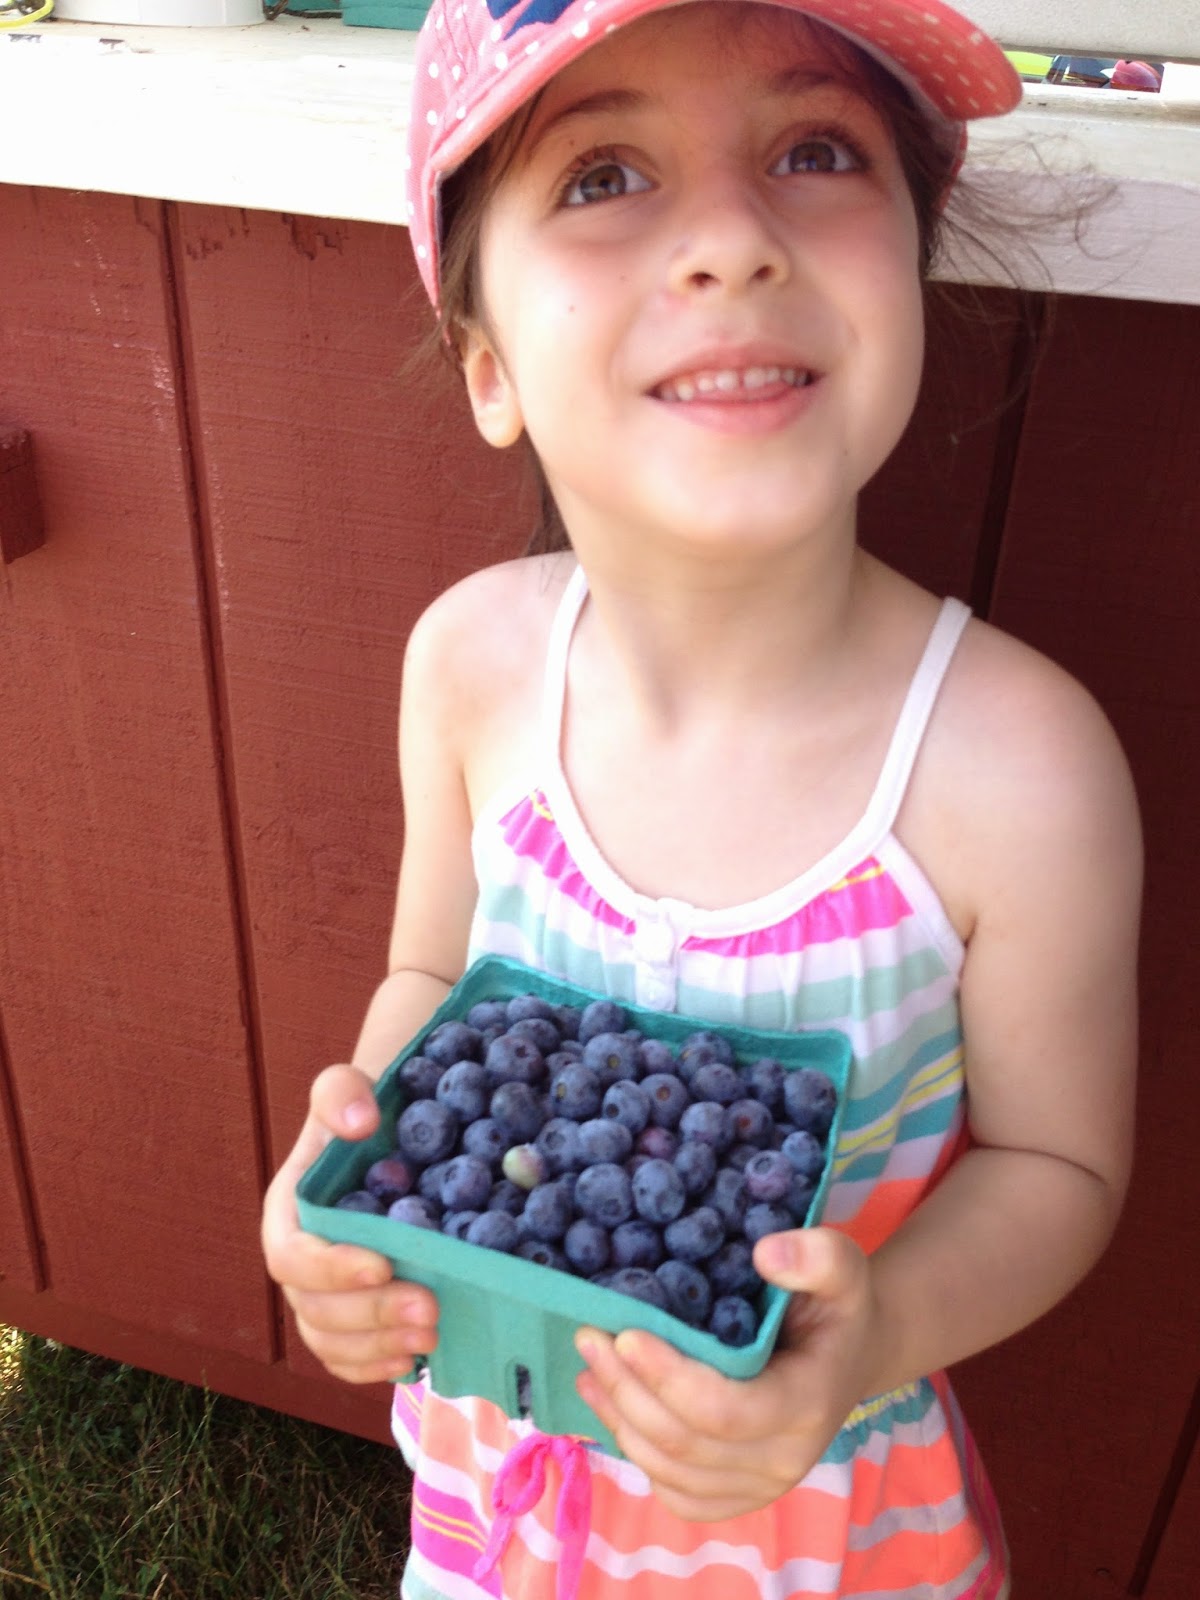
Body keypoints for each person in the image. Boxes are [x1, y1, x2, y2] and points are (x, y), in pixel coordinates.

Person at [261, 1, 1142, 1595]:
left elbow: (1060, 1169)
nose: (733, 240)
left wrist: (875, 1328)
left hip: (825, 1530)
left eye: (814, 152)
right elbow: (430, 978)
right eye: (603, 176)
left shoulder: (1021, 771)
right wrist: (356, 1194)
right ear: (488, 367)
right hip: (504, 1496)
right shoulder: (472, 668)